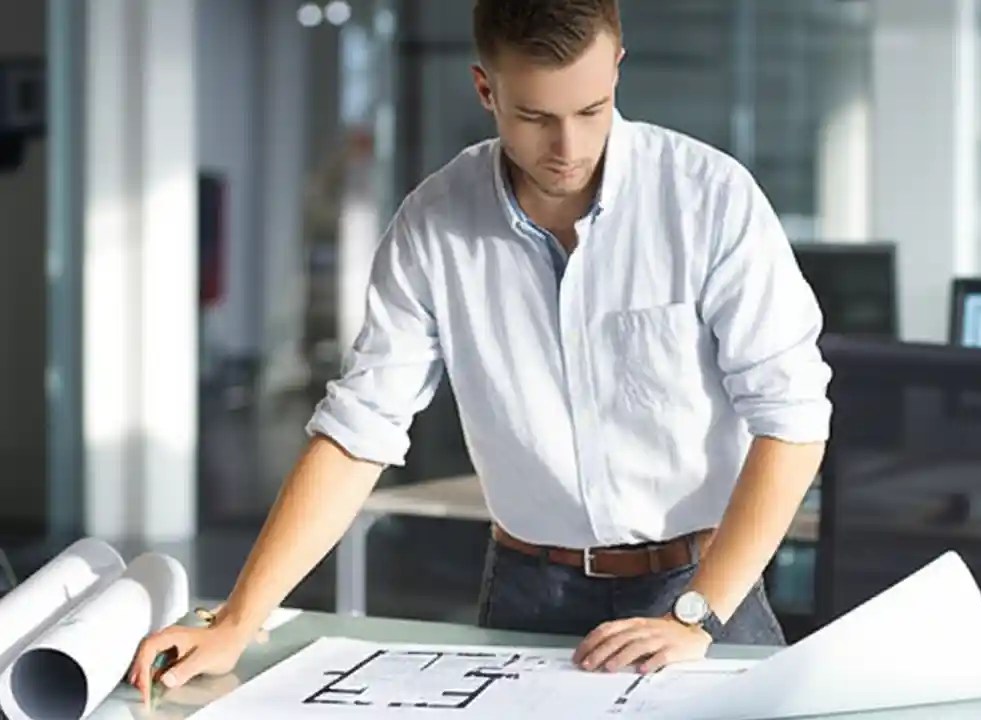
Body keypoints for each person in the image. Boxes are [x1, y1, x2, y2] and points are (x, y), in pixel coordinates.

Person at [129, 0, 831, 702]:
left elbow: (793, 422)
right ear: (485, 89)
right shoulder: (434, 225)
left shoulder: (708, 200)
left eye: (592, 109)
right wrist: (238, 619)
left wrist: (695, 611)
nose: (569, 146)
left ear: (616, 66)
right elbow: (358, 431)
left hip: (705, 586)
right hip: (530, 594)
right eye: (534, 117)